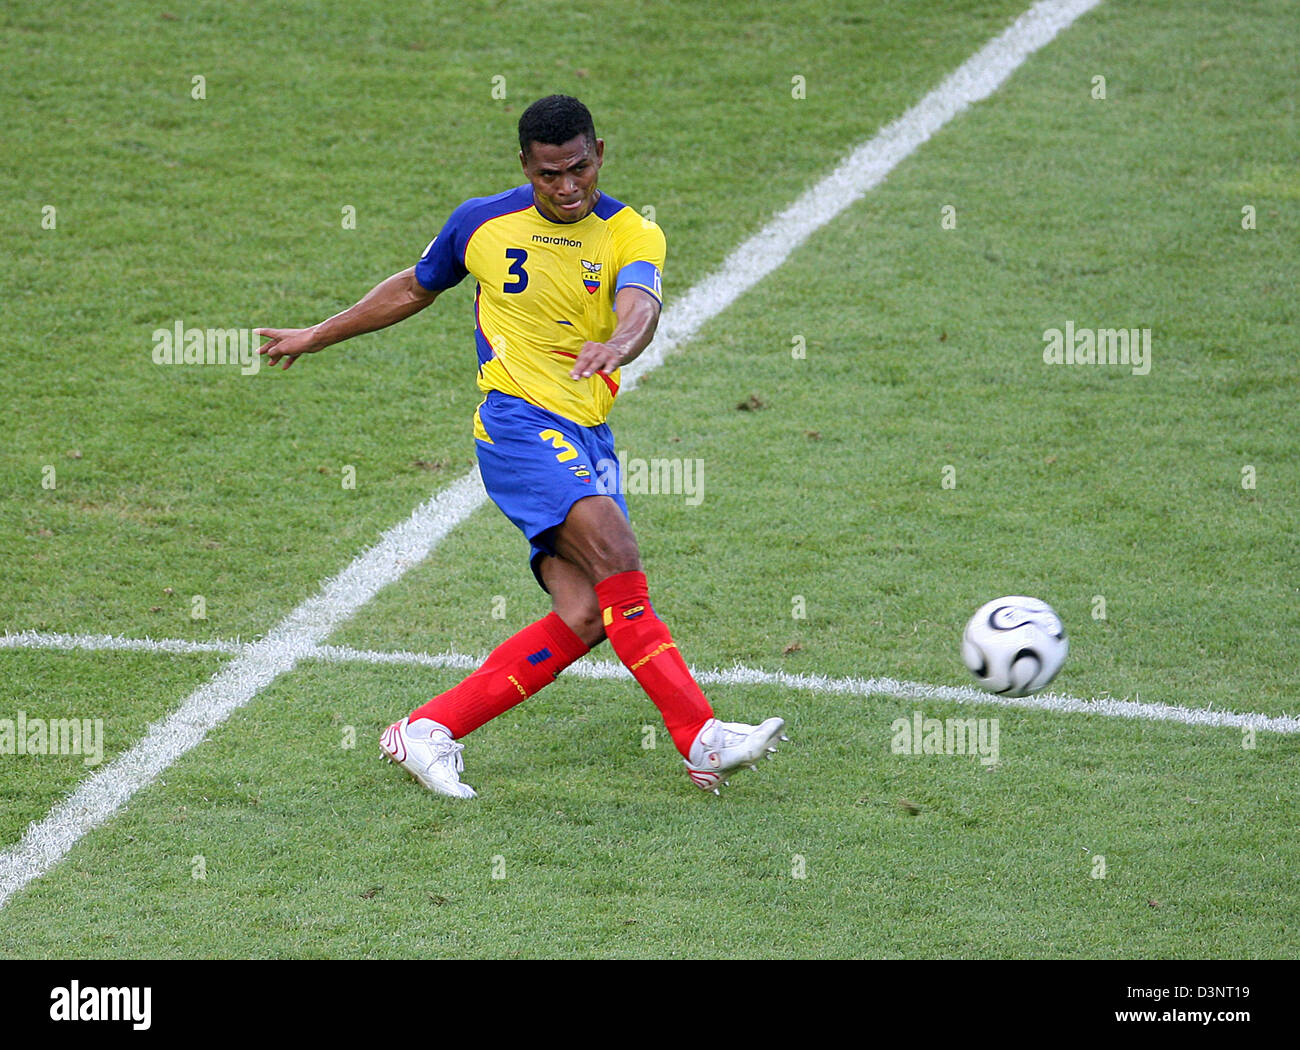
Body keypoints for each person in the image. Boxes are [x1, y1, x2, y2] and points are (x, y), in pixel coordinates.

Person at [256, 95, 785, 797]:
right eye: (548, 175)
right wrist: (316, 334)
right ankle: (701, 737)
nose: (566, 187)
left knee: (590, 613)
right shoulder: (481, 221)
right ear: (525, 168)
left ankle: (426, 731)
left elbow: (641, 307)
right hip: (517, 424)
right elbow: (415, 288)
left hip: (587, 431)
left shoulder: (633, 233)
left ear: (600, 152)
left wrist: (617, 344)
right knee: (619, 555)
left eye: (577, 168)